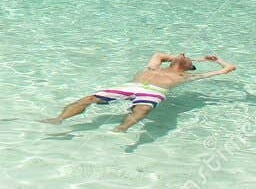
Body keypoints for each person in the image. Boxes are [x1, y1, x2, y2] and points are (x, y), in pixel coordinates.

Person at [45, 52, 237, 133]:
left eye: (186, 58)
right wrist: (186, 58)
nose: (183, 55)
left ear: (189, 66)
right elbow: (158, 54)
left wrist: (215, 60)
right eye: (183, 55)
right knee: (89, 98)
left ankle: (121, 129)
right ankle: (59, 119)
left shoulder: (186, 76)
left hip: (155, 91)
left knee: (143, 110)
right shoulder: (154, 66)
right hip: (131, 86)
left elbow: (228, 69)